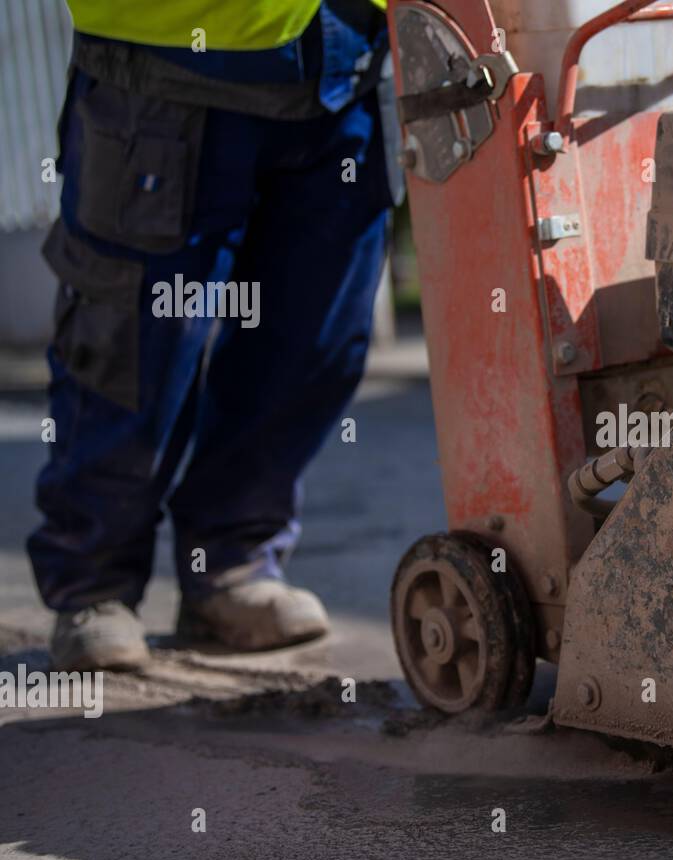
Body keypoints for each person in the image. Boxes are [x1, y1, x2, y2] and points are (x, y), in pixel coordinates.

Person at [30, 0, 401, 670]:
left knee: (311, 345)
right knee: (134, 349)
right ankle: (95, 583)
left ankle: (230, 564)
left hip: (342, 66)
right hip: (163, 63)